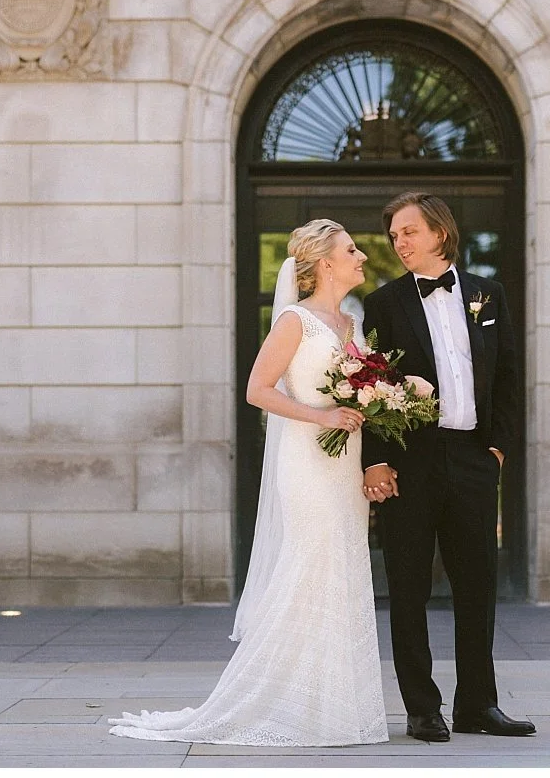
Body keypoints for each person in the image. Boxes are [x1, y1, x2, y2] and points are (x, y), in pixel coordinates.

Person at [108, 219, 388, 747]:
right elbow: (257, 390)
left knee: (341, 568)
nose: (362, 258)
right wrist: (320, 417)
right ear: (325, 263)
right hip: (308, 461)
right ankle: (271, 696)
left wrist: (373, 406)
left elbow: (354, 392)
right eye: (351, 250)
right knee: (310, 567)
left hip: (343, 461)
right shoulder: (295, 321)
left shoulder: (352, 322)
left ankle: (330, 704)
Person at [361, 191, 536, 742]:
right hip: (412, 463)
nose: (399, 243)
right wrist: (378, 459)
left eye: (408, 232)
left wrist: (498, 449)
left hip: (473, 458)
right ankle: (421, 709)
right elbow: (367, 385)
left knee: (477, 586)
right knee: (409, 587)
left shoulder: (489, 294)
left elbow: (507, 375)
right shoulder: (384, 303)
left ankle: (478, 705)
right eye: (394, 236)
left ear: (439, 231)